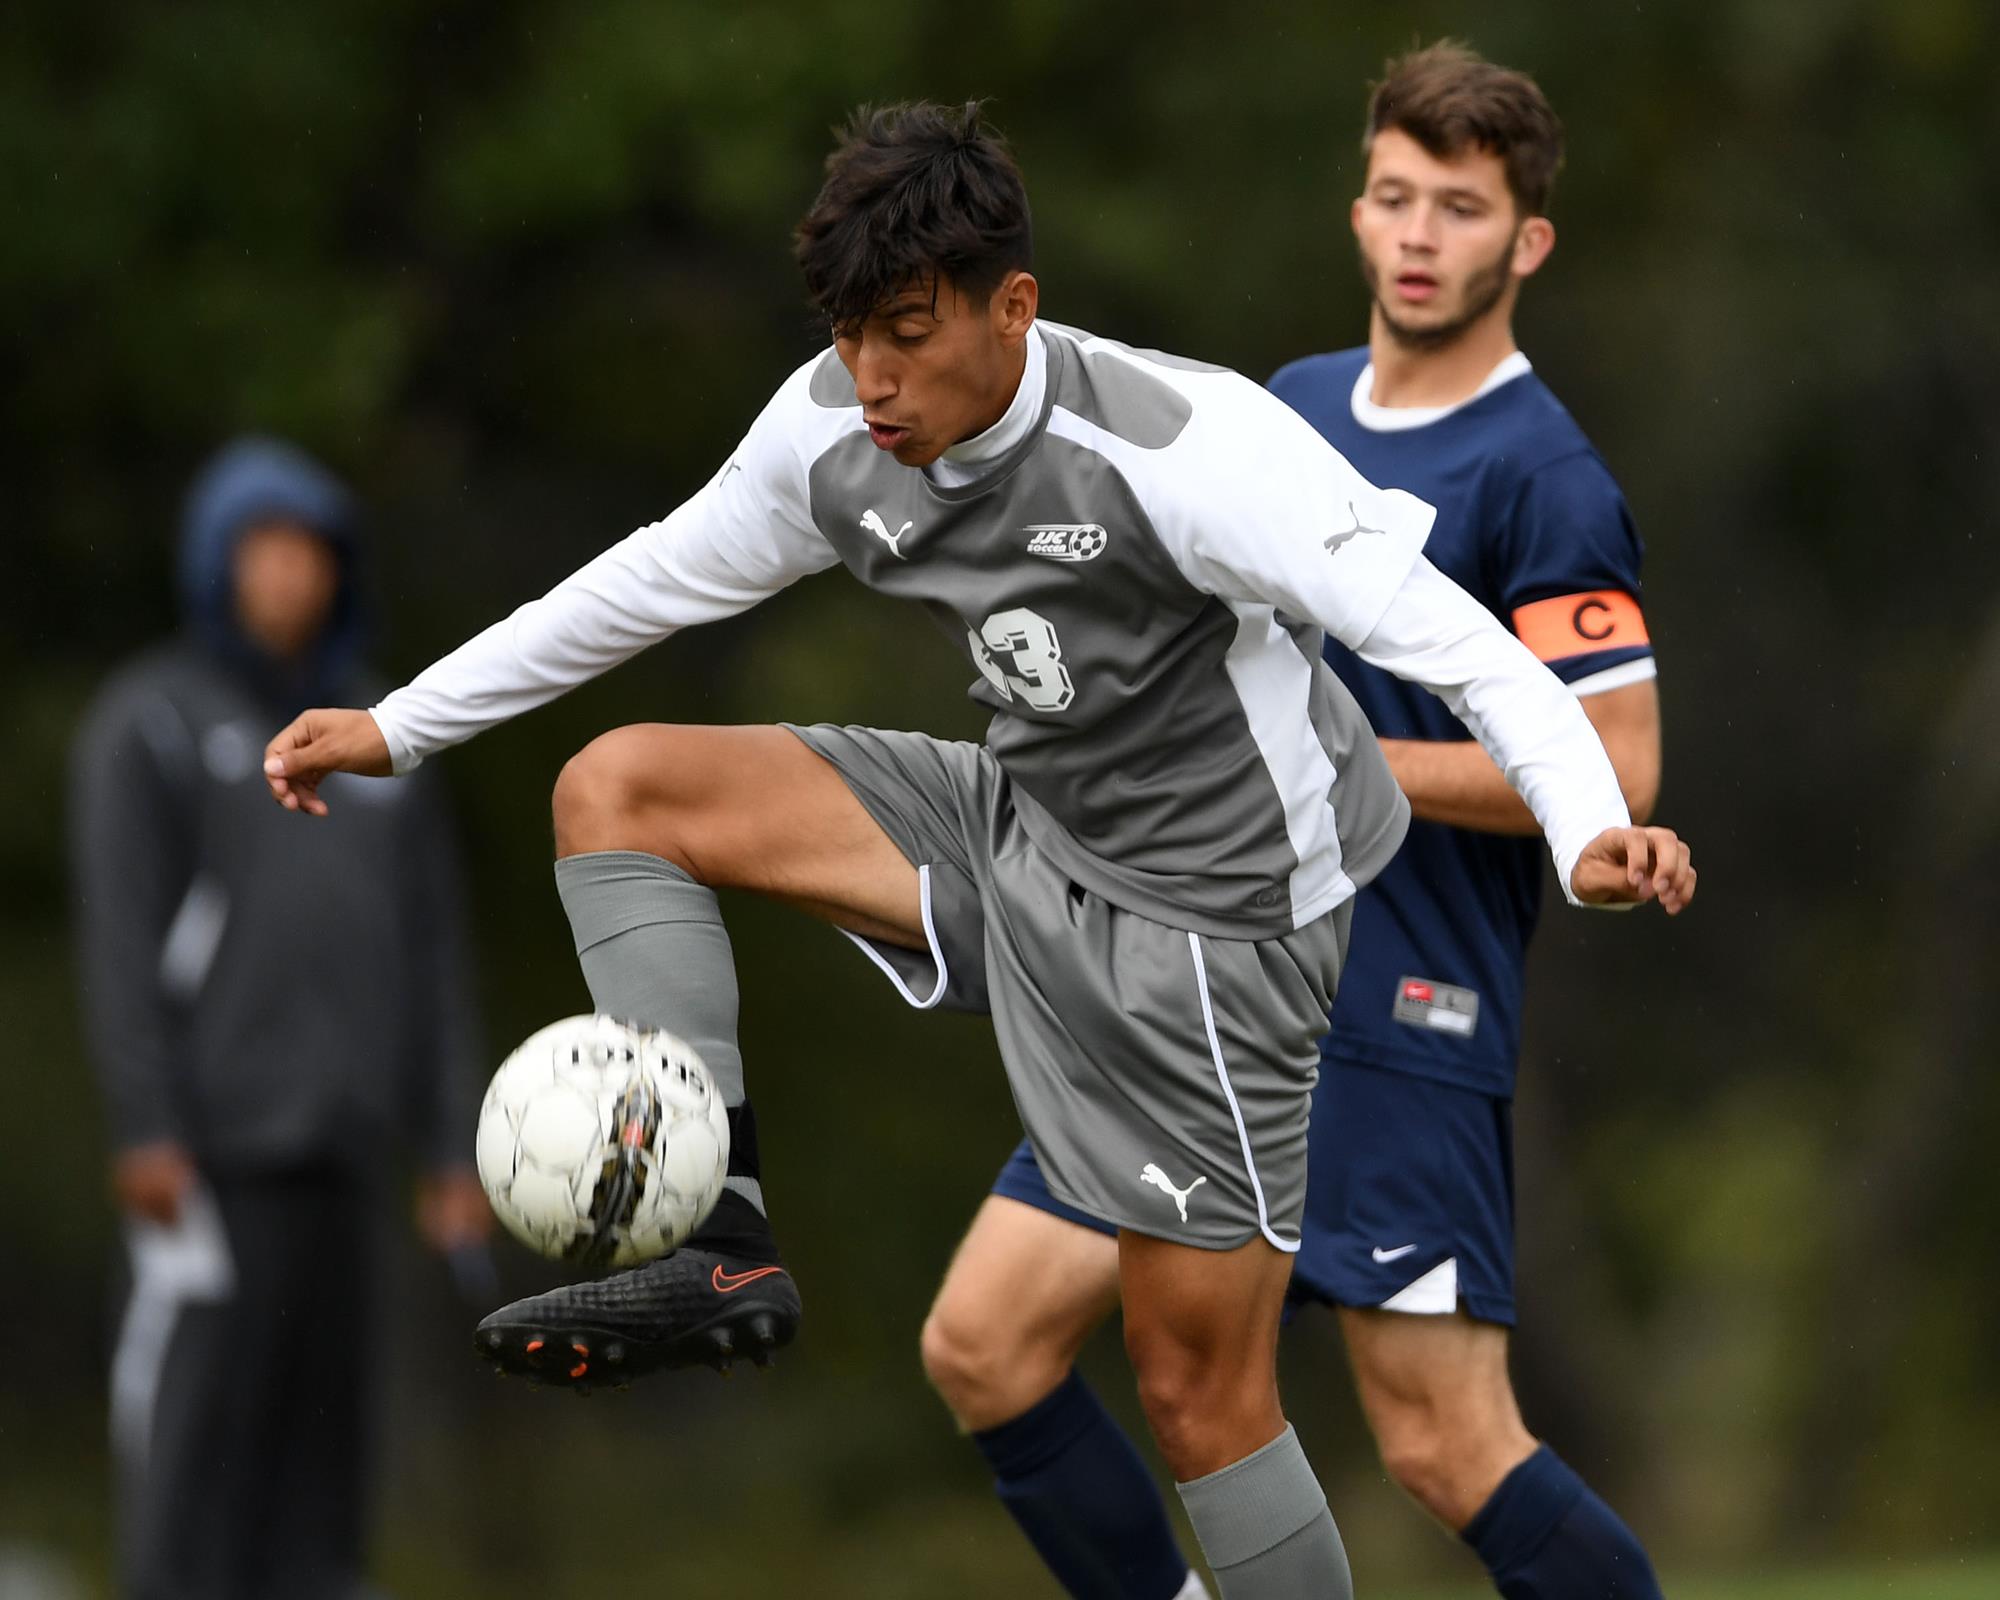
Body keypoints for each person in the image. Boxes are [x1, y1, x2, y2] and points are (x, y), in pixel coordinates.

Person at [262, 102, 1694, 1600]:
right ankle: (725, 1237)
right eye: (846, 337)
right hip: (1024, 826)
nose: (871, 380)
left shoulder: (1185, 450)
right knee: (619, 791)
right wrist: (399, 724)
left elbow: (1467, 649)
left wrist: (1590, 825)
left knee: (1200, 1398)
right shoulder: (832, 424)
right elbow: (653, 579)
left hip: (1220, 933)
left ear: (1014, 308)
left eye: (905, 333)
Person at [914, 45, 1669, 1600]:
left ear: (1524, 244)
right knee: (984, 1343)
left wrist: (1350, 778)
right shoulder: (1290, 409)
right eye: (1395, 195)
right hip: (1196, 979)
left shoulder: (1547, 478)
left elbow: (1618, 765)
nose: (1417, 234)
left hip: (1398, 1006)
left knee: (1443, 1450)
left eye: (1459, 209)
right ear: (1357, 207)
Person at [69, 438, 493, 1600]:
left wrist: (451, 1142)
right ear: (218, 563)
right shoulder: (150, 722)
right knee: (193, 1460)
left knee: (327, 1476)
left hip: (345, 1159)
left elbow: (430, 954)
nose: (288, 575)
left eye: (310, 551)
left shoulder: (386, 742)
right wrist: (144, 1124)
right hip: (209, 1167)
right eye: (263, 549)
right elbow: (119, 942)